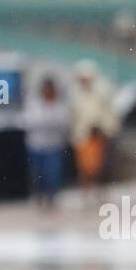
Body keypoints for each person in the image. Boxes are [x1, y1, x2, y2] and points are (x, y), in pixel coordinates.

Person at [67, 61, 118, 193]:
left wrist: (107, 129)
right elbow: (74, 116)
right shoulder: (74, 94)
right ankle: (86, 192)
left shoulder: (102, 92)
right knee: (84, 168)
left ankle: (101, 190)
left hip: (100, 134)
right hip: (83, 136)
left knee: (101, 166)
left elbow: (108, 113)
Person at [21, 75, 70, 207]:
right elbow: (29, 121)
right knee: (37, 174)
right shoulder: (34, 104)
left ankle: (51, 197)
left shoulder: (59, 105)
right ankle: (38, 196)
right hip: (36, 145)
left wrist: (47, 122)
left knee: (52, 174)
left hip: (53, 146)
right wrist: (46, 122)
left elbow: (63, 123)